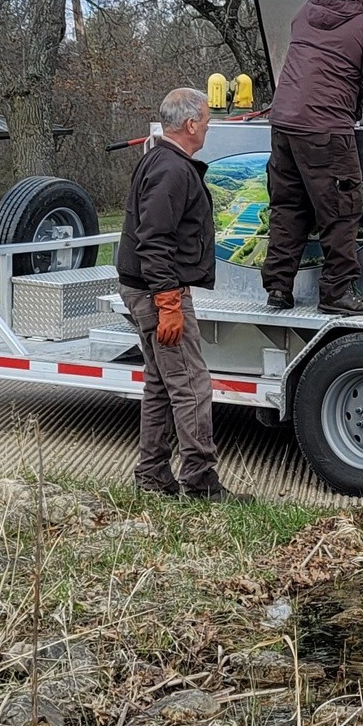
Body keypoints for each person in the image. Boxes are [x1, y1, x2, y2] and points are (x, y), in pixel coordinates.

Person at [114, 88, 246, 502]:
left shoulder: (160, 159)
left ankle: (153, 475)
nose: (207, 128)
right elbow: (153, 239)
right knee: (191, 385)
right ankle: (201, 481)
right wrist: (168, 303)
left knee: (159, 382)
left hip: (145, 288)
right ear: (190, 125)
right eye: (206, 121)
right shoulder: (171, 169)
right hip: (157, 292)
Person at [261, 0, 363, 317]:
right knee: (341, 210)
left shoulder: (306, 11)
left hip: (283, 122)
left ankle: (278, 288)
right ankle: (337, 293)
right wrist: (354, 104)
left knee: (288, 206)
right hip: (326, 127)